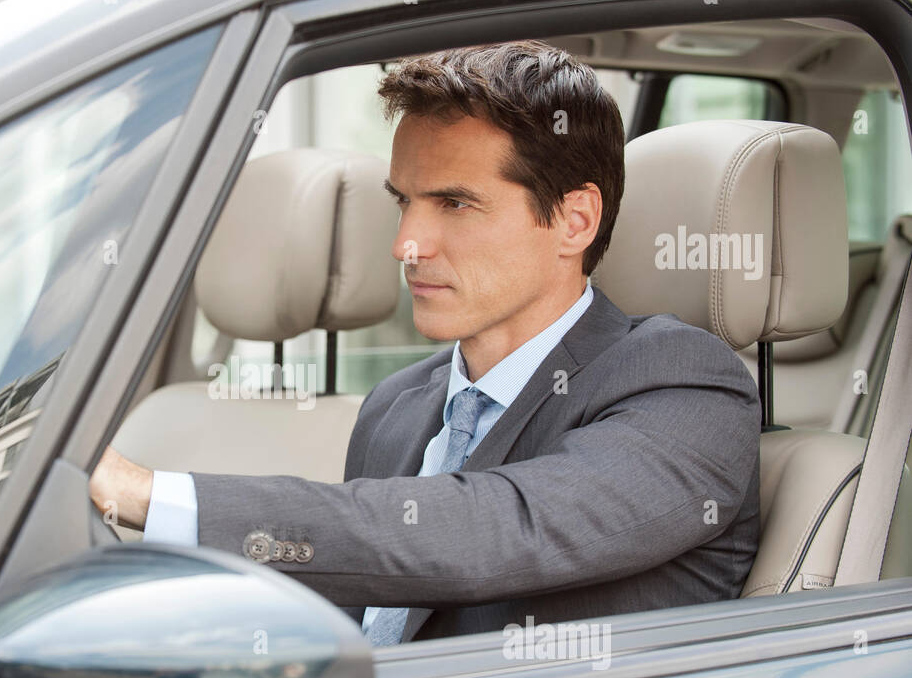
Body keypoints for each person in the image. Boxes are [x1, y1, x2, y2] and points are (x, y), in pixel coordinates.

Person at [89, 41, 761, 646]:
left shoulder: (685, 387)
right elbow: (350, 592)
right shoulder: (398, 405)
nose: (405, 244)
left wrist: (146, 494)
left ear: (574, 219)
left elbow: (488, 530)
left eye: (455, 204)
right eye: (403, 202)